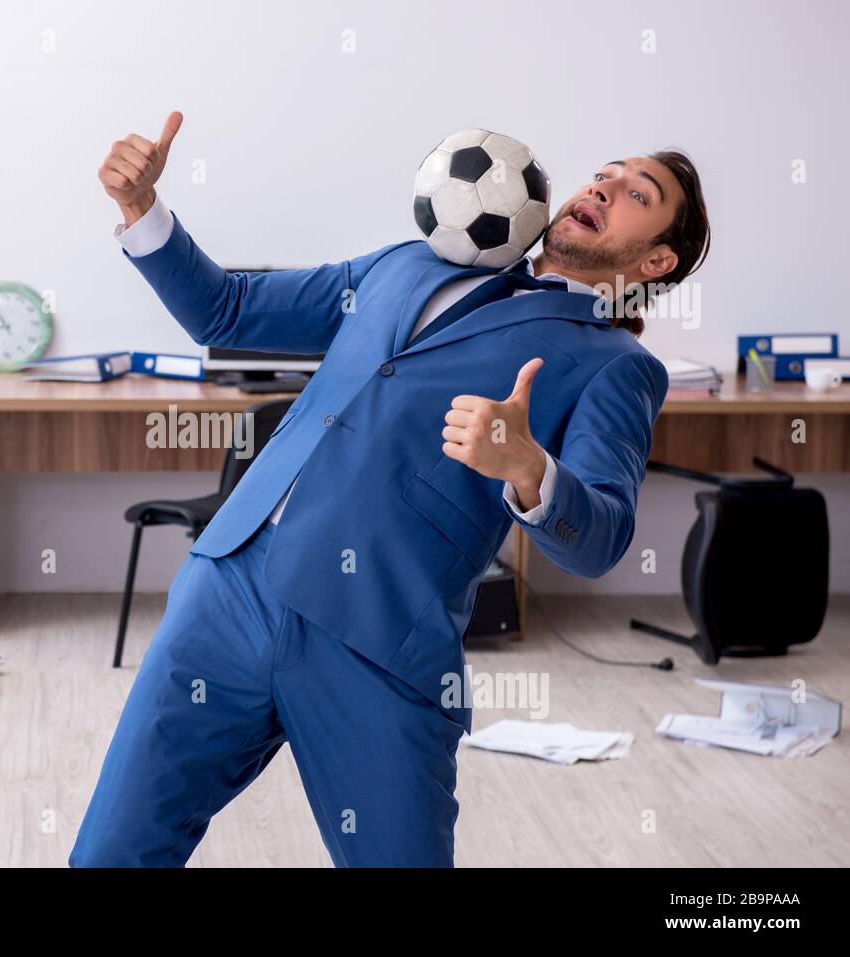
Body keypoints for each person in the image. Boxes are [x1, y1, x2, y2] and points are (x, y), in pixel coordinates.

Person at [70, 111, 711, 867]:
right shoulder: (411, 262)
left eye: (637, 192)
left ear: (656, 262)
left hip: (376, 637)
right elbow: (229, 308)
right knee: (112, 851)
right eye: (604, 172)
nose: (605, 185)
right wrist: (143, 210)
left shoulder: (614, 364)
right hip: (226, 593)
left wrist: (529, 467)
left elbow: (601, 538)